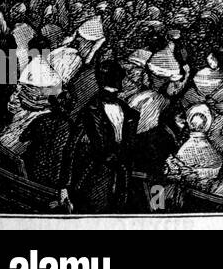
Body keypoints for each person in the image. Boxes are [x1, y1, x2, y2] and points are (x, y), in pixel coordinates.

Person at [69, 61, 137, 212]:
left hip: (122, 174)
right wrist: (64, 187)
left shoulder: (126, 109)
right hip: (98, 175)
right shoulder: (91, 109)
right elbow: (71, 147)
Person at [22, 89, 75, 205]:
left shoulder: (42, 120)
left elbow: (23, 137)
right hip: (54, 178)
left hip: (33, 170)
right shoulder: (71, 127)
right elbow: (70, 156)